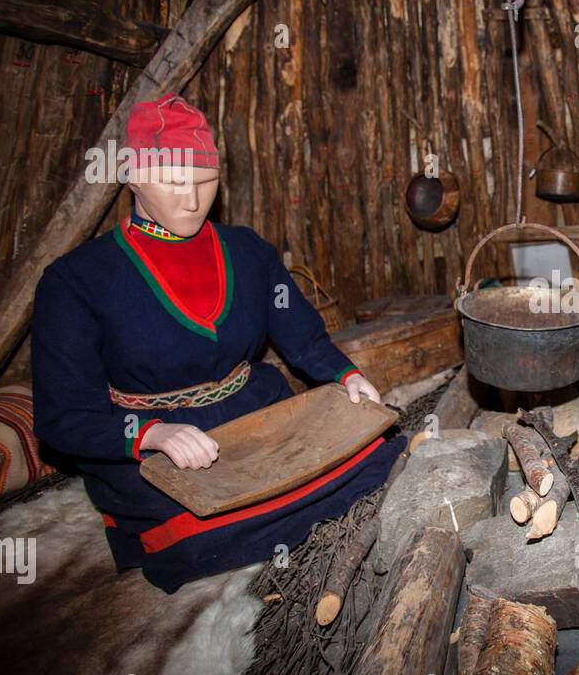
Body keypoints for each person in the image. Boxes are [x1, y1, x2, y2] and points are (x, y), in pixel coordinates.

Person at [32, 93, 406, 592]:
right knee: (192, 538)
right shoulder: (76, 281)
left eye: (205, 182)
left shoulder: (248, 252)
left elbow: (301, 336)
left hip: (255, 415)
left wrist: (347, 375)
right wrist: (151, 435)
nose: (191, 199)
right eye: (173, 181)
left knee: (380, 453)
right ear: (132, 175)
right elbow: (63, 418)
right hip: (158, 450)